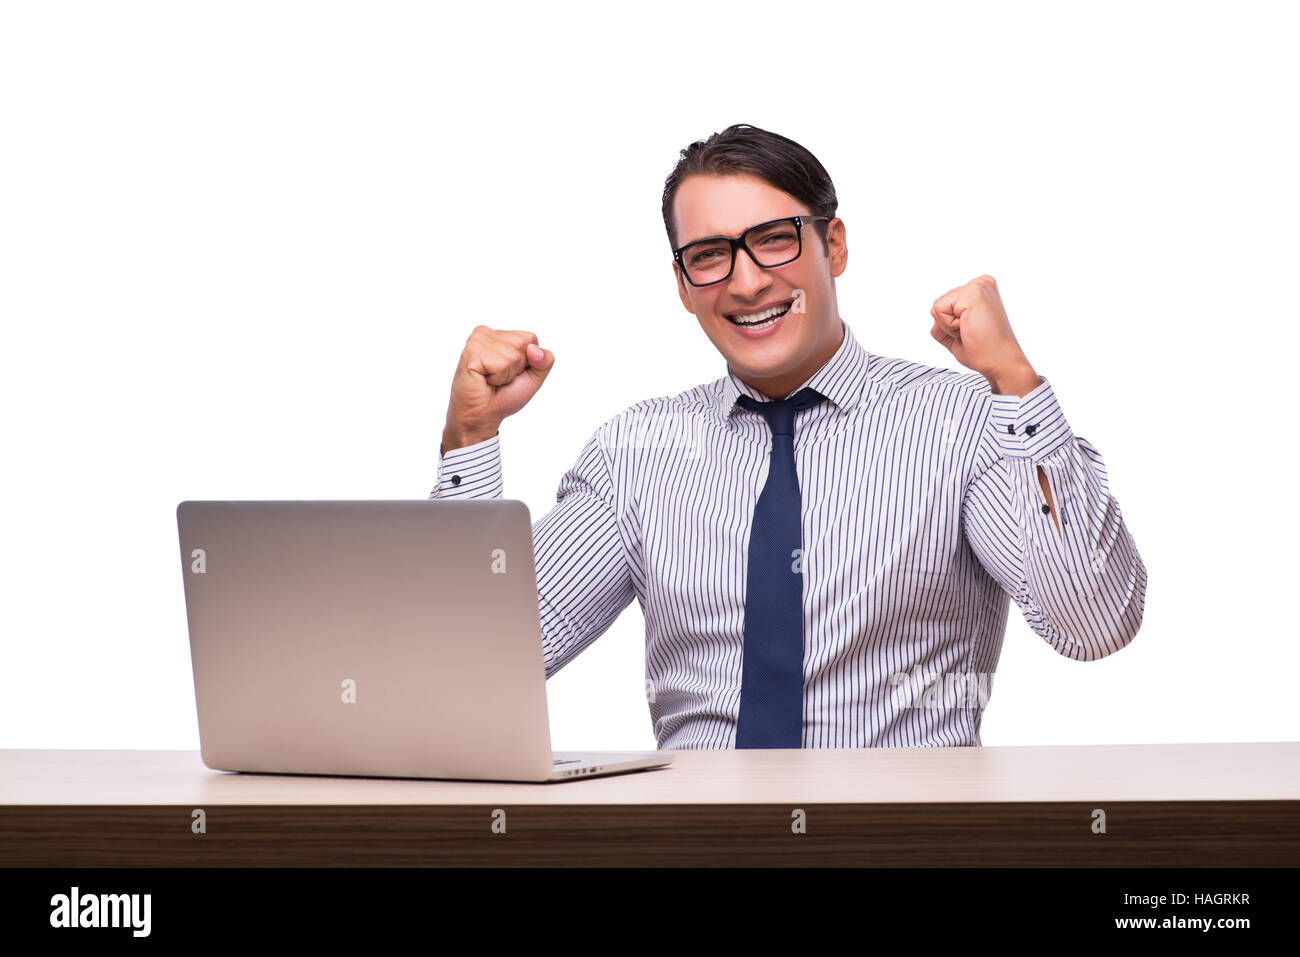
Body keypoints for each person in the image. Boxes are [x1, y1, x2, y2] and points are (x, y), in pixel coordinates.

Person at [430, 123, 1147, 750]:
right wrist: (471, 437)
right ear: (682, 286)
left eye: (774, 240)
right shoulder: (637, 453)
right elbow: (463, 670)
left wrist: (1015, 382)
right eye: (709, 255)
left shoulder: (961, 423)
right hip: (698, 846)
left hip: (901, 846)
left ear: (833, 245)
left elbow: (1091, 621)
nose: (745, 282)